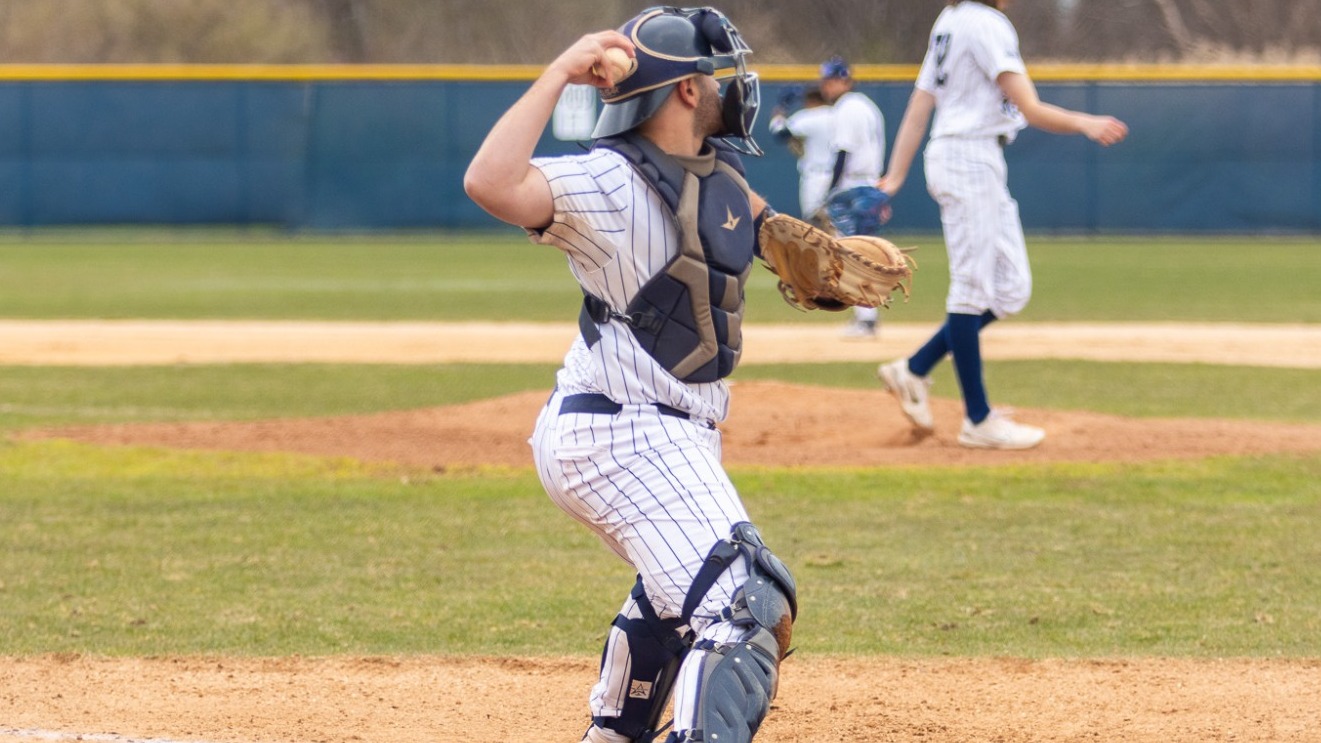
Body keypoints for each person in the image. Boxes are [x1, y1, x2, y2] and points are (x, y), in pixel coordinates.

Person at [463, 7, 796, 743]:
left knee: (680, 591)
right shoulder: (606, 182)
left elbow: (761, 228)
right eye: (710, 74)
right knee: (746, 600)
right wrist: (558, 72)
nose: (727, 86)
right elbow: (489, 181)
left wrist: (809, 254)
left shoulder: (716, 173)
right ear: (682, 91)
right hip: (622, 430)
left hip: (662, 432)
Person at [875, 0, 1128, 449]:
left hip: (974, 157)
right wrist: (1085, 122)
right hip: (968, 157)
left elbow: (919, 105)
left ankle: (913, 369)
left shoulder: (951, 19)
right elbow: (1029, 109)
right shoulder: (986, 22)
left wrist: (896, 176)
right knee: (972, 289)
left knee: (1011, 289)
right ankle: (978, 420)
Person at [817, 56, 888, 340]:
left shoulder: (847, 108)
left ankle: (866, 319)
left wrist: (830, 191)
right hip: (869, 185)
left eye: (830, 80)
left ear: (843, 80)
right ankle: (866, 316)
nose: (826, 86)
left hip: (853, 188)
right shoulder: (867, 106)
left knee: (852, 257)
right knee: (862, 255)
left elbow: (843, 153)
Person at [767, 87, 835, 225]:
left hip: (816, 177)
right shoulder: (838, 114)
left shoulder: (810, 116)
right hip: (840, 176)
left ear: (811, 101)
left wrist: (778, 114)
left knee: (814, 224)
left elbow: (780, 133)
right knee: (837, 224)